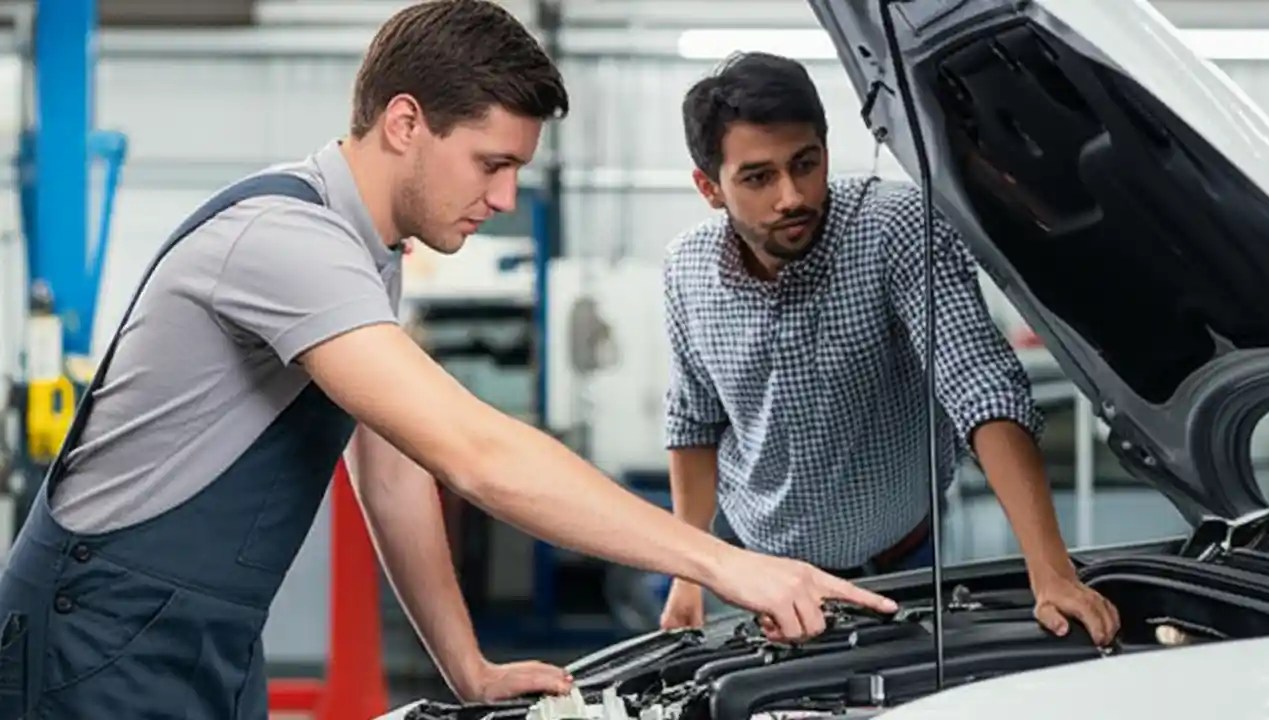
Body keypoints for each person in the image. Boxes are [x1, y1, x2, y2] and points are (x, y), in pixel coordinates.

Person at [0, 7, 899, 719]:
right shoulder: (287, 242)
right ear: (405, 123)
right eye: (491, 163)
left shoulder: (365, 253)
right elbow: (477, 454)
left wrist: (465, 666)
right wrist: (726, 565)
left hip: (203, 637)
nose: (504, 197)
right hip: (100, 642)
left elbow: (392, 474)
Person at [656, 51, 1121, 646]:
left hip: (902, 561)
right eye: (757, 177)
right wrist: (688, 573)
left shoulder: (894, 228)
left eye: (806, 163)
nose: (792, 196)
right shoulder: (686, 270)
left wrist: (1051, 571)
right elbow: (695, 423)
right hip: (758, 571)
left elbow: (980, 387)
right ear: (709, 188)